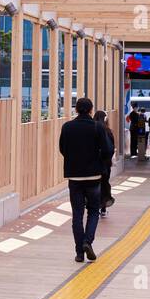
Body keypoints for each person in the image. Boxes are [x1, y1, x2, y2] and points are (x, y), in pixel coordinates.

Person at [59, 97, 110, 262]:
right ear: (91, 110)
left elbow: (63, 149)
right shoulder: (98, 127)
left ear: (76, 110)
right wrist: (99, 161)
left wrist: (74, 161)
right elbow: (108, 150)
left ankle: (79, 252)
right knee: (94, 210)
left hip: (74, 176)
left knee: (77, 214)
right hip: (94, 176)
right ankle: (87, 241)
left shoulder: (67, 127)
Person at [95, 110, 116, 217]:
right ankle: (103, 207)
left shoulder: (92, 130)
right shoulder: (108, 131)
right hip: (105, 164)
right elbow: (111, 148)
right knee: (104, 183)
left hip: (93, 164)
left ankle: (95, 206)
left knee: (95, 185)